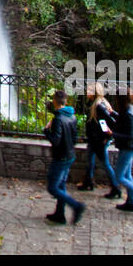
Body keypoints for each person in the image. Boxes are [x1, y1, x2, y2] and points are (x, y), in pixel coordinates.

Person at [42, 90, 86, 225]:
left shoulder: (58, 119)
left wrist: (46, 131)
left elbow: (55, 140)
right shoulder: (72, 116)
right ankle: (60, 214)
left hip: (60, 157)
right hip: (69, 155)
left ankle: (76, 206)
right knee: (61, 185)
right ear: (65, 101)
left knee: (53, 187)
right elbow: (74, 138)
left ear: (55, 101)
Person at [76, 82, 120, 198]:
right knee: (90, 161)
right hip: (94, 139)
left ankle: (116, 188)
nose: (87, 92)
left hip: (99, 141)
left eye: (90, 90)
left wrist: (107, 136)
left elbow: (110, 122)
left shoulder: (100, 106)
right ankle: (88, 182)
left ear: (95, 93)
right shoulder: (94, 104)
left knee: (105, 164)